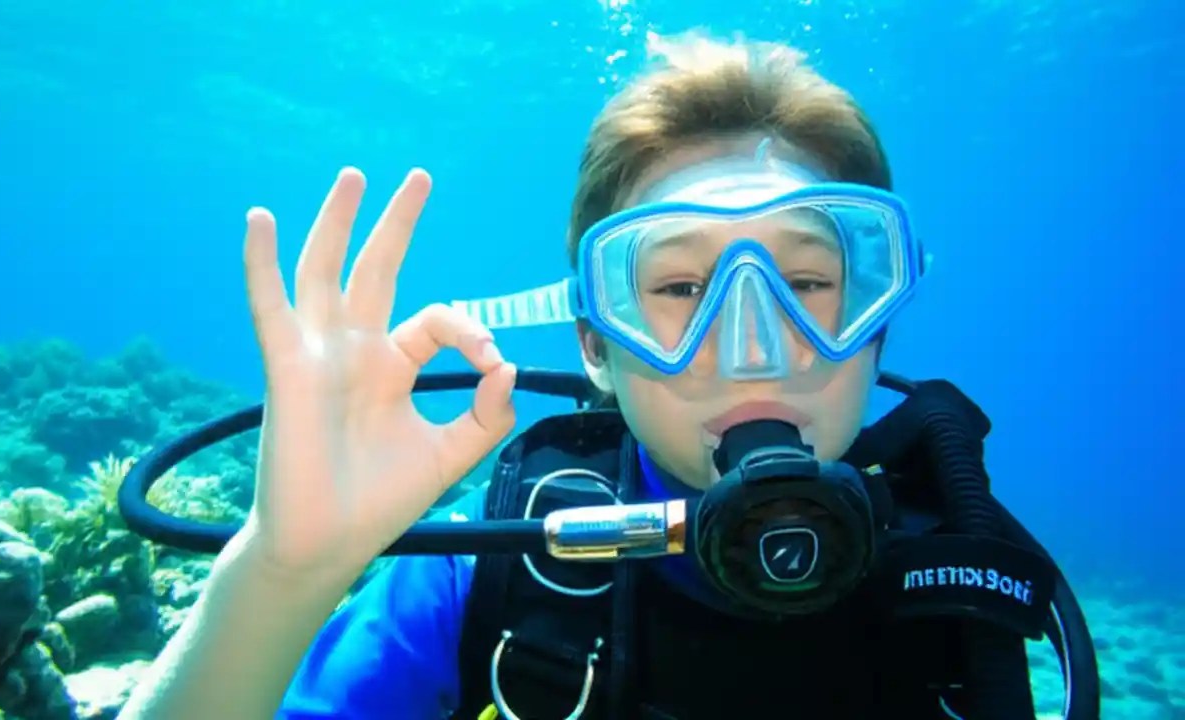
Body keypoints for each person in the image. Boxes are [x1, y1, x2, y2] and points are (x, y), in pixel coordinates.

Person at [115, 31, 1051, 720]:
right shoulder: (496, 571)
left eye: (808, 283)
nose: (752, 347)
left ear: (877, 325)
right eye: (681, 286)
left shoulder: (965, 593)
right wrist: (283, 571)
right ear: (596, 346)